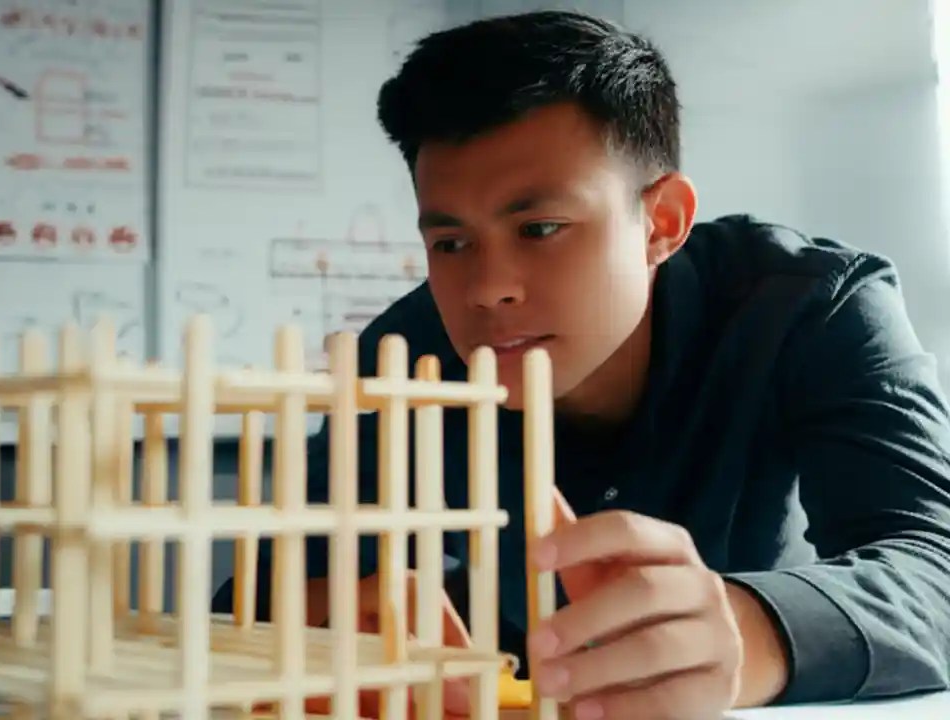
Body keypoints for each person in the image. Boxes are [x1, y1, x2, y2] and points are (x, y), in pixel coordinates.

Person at [211, 9, 950, 720]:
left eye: (539, 228)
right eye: (451, 243)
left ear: (662, 222)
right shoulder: (404, 362)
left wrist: (744, 634)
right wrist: (308, 626)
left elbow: (934, 567)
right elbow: (256, 606)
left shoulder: (812, 305)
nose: (487, 288)